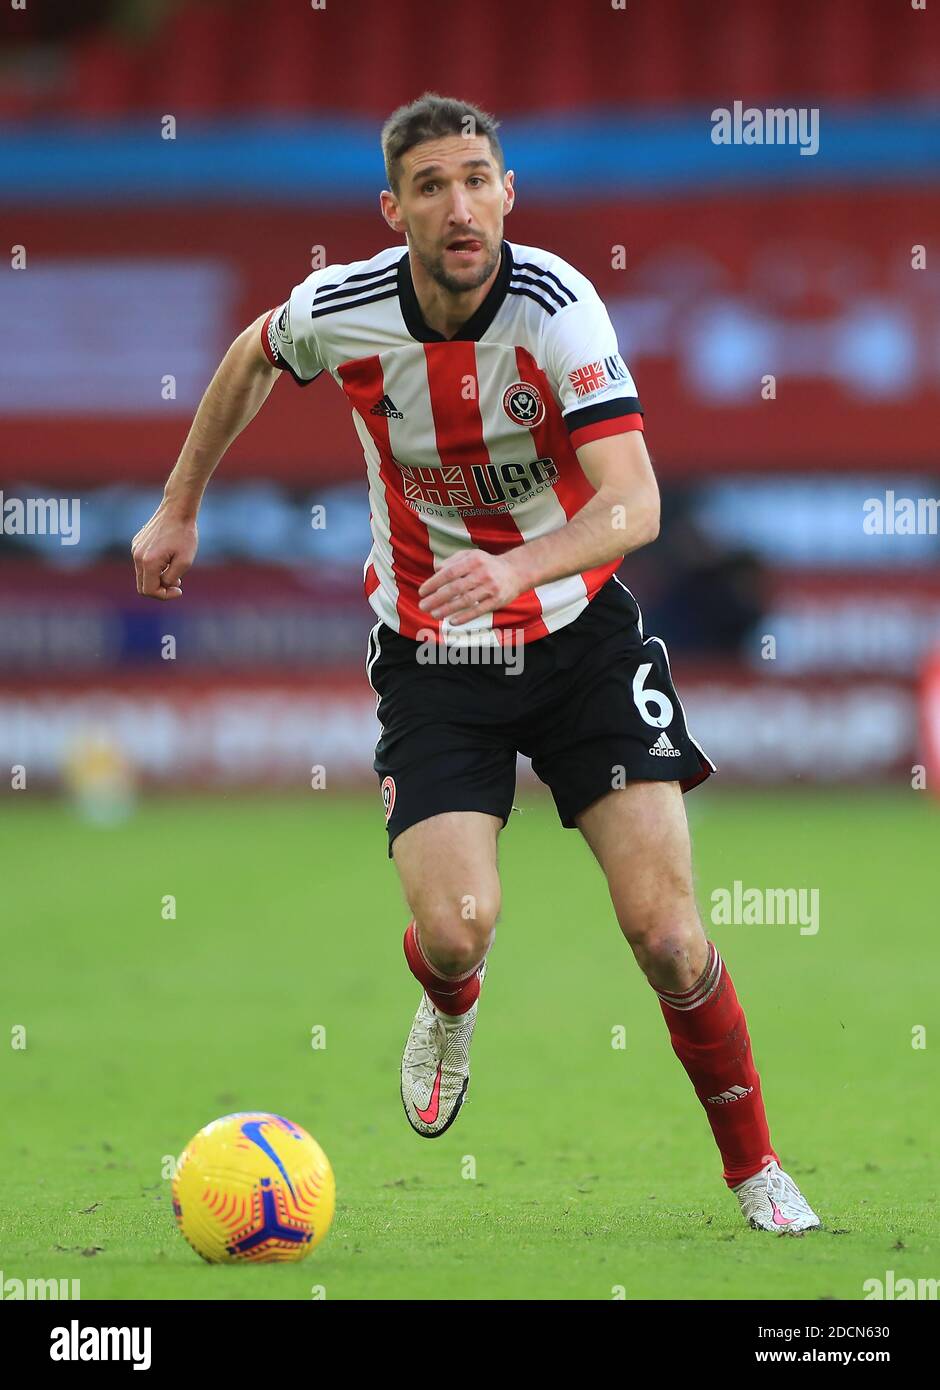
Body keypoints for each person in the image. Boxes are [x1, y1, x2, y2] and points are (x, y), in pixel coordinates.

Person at [131, 92, 819, 1234]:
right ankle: (449, 1000)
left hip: (580, 641)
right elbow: (254, 354)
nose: (461, 206)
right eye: (433, 185)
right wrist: (178, 505)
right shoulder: (344, 307)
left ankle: (754, 1169)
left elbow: (633, 503)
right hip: (432, 654)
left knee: (666, 934)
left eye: (478, 179)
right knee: (456, 925)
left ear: (508, 192)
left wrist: (516, 568)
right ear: (393, 209)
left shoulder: (557, 309)